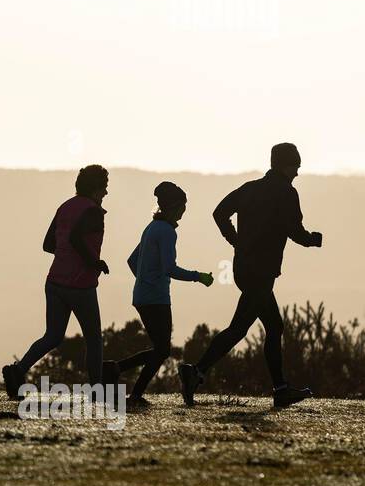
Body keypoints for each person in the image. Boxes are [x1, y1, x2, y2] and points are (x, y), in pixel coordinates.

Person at [179, 143, 322, 409]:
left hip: (242, 269)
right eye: (296, 167)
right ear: (285, 165)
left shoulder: (250, 188)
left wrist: (235, 241)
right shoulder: (287, 193)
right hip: (262, 272)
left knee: (274, 326)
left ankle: (280, 389)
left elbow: (219, 213)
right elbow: (295, 231)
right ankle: (196, 372)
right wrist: (313, 240)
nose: (298, 173)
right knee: (238, 329)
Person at [2, 164, 116, 397]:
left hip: (55, 282)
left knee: (52, 336)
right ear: (95, 188)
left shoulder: (65, 207)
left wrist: (66, 256)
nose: (106, 193)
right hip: (80, 285)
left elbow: (48, 244)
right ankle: (97, 389)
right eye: (104, 188)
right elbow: (76, 238)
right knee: (94, 338)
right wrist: (94, 262)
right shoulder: (93, 211)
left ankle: (19, 370)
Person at [113, 182, 213, 409]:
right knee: (162, 350)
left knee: (160, 349)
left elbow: (132, 260)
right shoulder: (166, 231)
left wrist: (144, 279)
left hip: (142, 295)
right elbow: (169, 268)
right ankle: (133, 392)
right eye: (182, 206)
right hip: (156, 298)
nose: (184, 211)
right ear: (174, 207)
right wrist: (198, 276)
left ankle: (118, 371)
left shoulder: (152, 227)